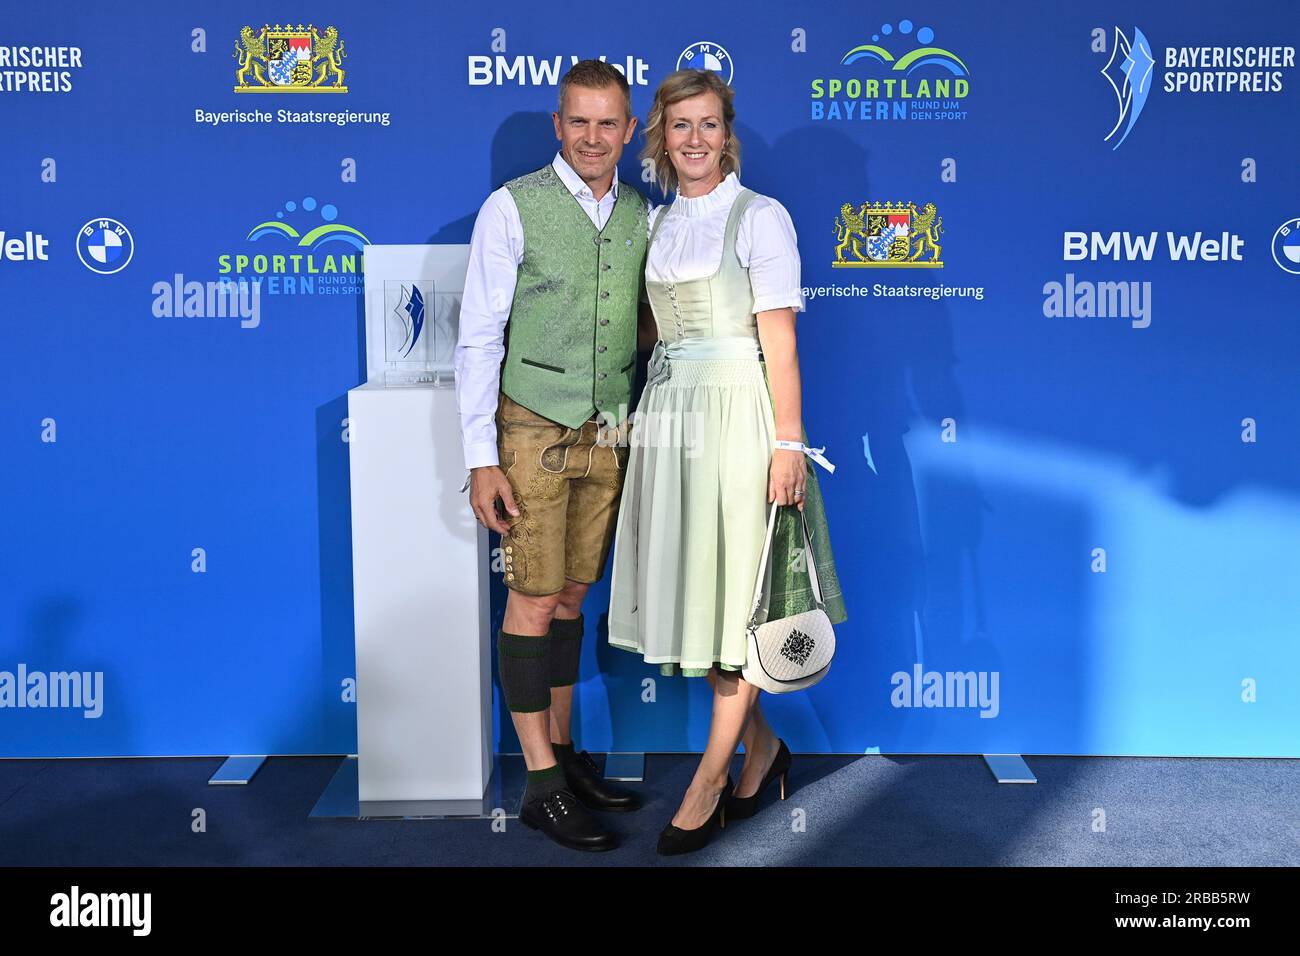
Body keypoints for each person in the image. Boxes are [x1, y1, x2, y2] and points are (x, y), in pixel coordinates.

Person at [606, 69, 847, 855]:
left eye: (709, 125)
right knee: (708, 598)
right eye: (681, 127)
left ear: (727, 132)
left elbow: (779, 338)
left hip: (739, 414)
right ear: (661, 137)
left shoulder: (760, 218)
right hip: (671, 414)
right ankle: (764, 749)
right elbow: (654, 330)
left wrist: (788, 444)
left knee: (737, 598)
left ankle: (708, 779)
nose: (696, 140)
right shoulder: (661, 222)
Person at [454, 59, 653, 852]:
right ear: (557, 124)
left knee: (572, 594)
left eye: (609, 123)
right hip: (532, 428)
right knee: (533, 598)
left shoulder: (642, 211)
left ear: (630, 129)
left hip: (610, 428)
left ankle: (564, 757)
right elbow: (478, 337)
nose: (594, 137)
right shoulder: (512, 209)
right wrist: (480, 457)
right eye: (579, 121)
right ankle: (540, 785)